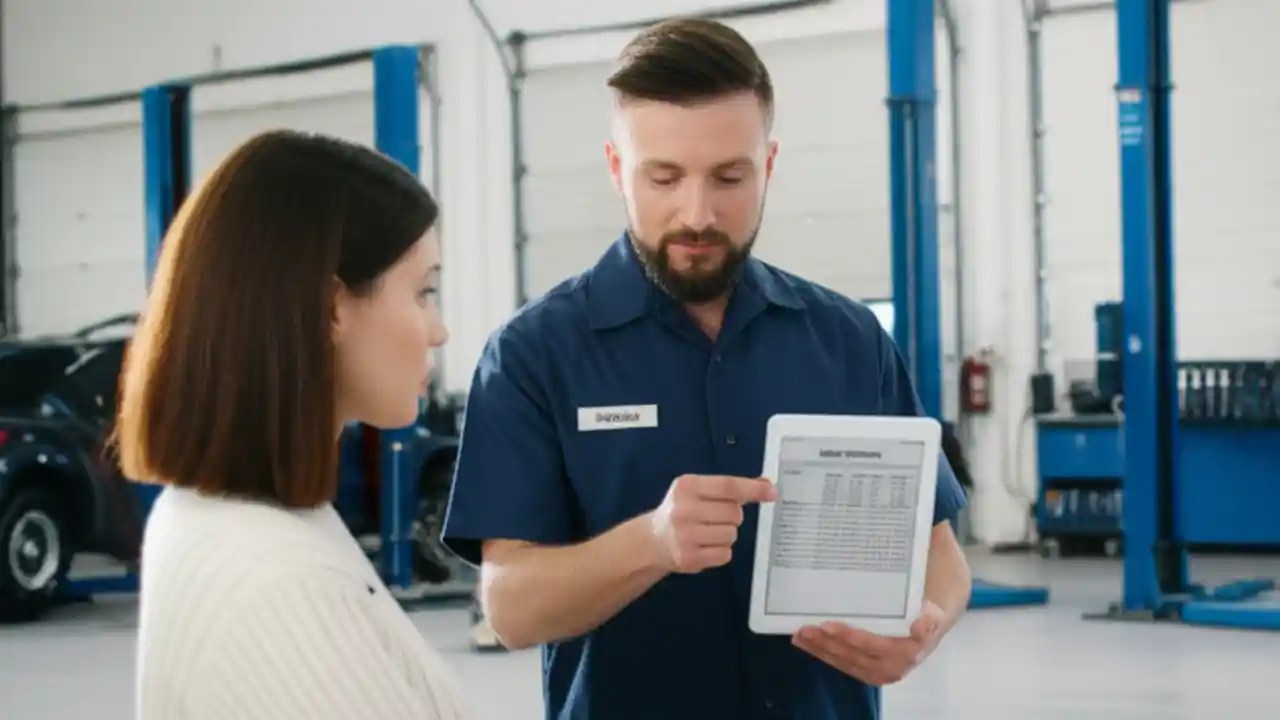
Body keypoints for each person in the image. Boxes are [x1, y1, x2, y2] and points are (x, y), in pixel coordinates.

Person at [442, 17, 973, 720]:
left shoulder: (848, 340)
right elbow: (510, 608)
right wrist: (651, 543)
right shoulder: (534, 355)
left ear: (769, 165)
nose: (697, 213)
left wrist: (924, 625)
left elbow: (939, 550)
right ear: (615, 169)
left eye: (729, 176)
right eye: (663, 177)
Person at [117, 130, 470, 719]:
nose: (438, 329)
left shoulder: (227, 515)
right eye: (423, 292)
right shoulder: (278, 583)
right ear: (331, 308)